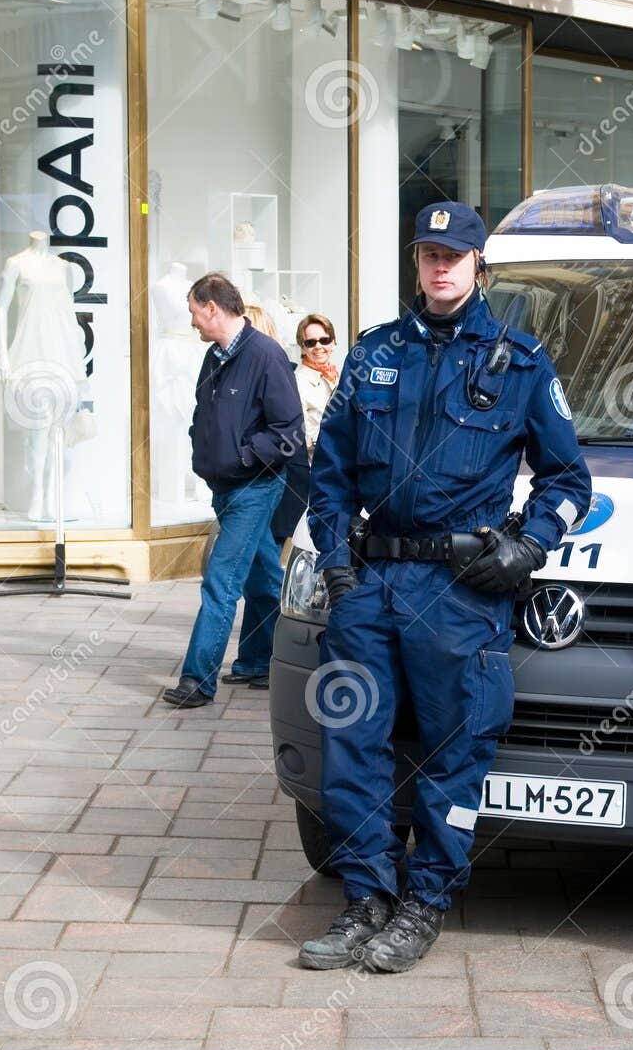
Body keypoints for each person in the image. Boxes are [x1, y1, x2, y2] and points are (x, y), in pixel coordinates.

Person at [299, 201, 591, 974]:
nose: (439, 267)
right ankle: (366, 898)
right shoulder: (372, 355)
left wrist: (528, 547)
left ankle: (425, 901)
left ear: (477, 265)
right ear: (417, 263)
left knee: (454, 753)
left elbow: (568, 480)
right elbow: (326, 476)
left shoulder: (520, 360)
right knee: (351, 746)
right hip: (370, 586)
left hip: (459, 595)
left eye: (453, 255)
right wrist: (336, 562)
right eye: (428, 254)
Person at [161, 274, 303, 707]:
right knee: (262, 576)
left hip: (254, 488)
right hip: (224, 487)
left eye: (192, 313)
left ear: (212, 308)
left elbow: (289, 432)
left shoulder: (266, 356)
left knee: (221, 581)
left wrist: (243, 457)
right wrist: (202, 454)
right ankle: (263, 660)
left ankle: (197, 681)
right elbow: (203, 416)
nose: (192, 323)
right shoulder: (214, 357)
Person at [269, 313, 342, 554]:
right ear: (302, 347)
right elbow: (297, 430)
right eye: (311, 342)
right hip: (313, 467)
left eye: (324, 339)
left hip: (339, 464)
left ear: (333, 341)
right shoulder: (298, 381)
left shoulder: (337, 376)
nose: (319, 346)